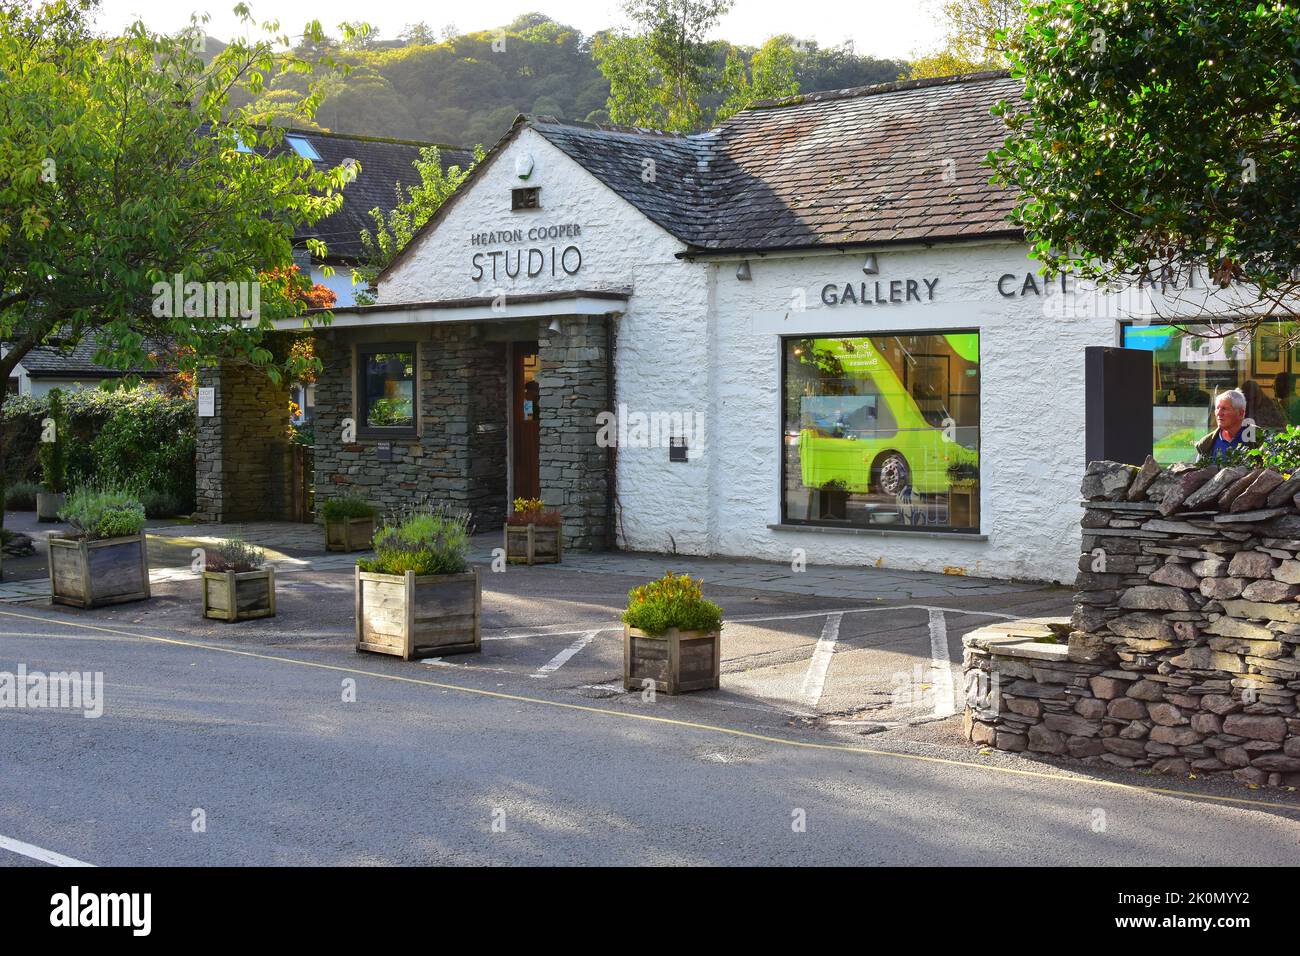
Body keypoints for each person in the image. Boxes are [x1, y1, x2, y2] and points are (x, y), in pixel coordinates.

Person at [1195, 389, 1254, 459]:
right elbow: (1199, 468)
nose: (1219, 413)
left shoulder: (1258, 440)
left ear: (1241, 413)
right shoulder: (1206, 444)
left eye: (1224, 409)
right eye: (1217, 408)